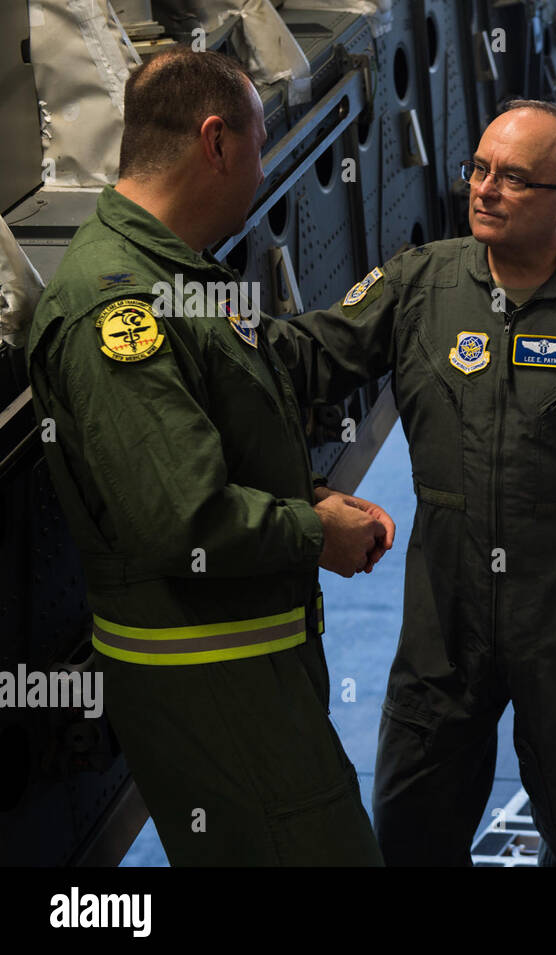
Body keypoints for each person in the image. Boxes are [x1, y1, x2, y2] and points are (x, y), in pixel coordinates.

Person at [269, 99, 556, 865]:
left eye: (514, 177)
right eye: (478, 168)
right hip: (446, 616)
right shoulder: (420, 287)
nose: (484, 188)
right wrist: (200, 324)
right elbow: (302, 360)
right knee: (411, 828)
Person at [25, 49, 393, 865]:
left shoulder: (173, 270)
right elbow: (182, 516)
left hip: (247, 668)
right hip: (215, 685)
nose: (263, 172)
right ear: (216, 142)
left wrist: (396, 297)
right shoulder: (119, 311)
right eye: (260, 149)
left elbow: (262, 360)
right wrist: (315, 532)